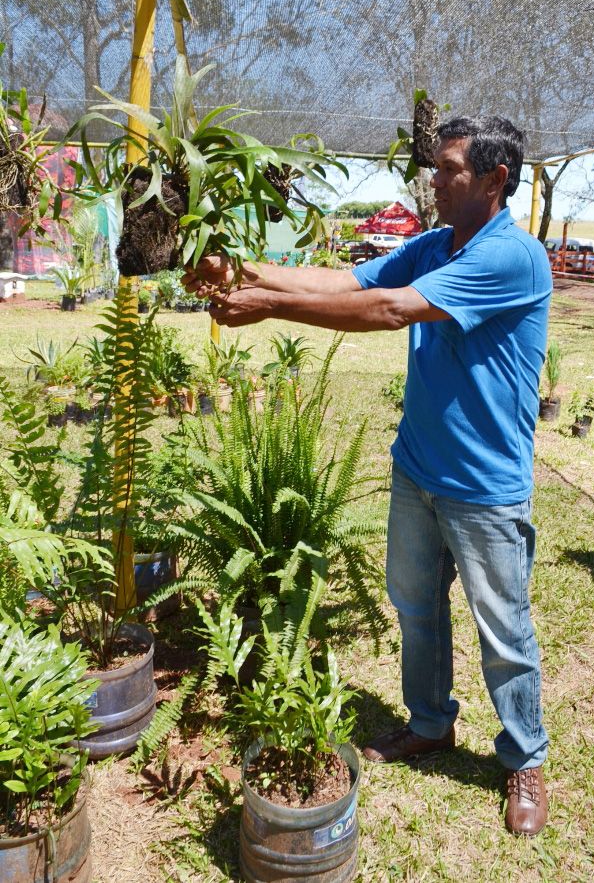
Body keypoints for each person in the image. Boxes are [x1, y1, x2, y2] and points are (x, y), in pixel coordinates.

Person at [182, 115, 552, 836]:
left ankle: (524, 757)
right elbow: (343, 277)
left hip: (483, 486)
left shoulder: (512, 257)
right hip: (418, 468)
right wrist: (241, 271)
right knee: (414, 604)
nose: (433, 180)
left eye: (447, 168)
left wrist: (268, 307)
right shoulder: (436, 244)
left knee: (502, 627)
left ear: (492, 179)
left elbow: (386, 309)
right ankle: (429, 722)